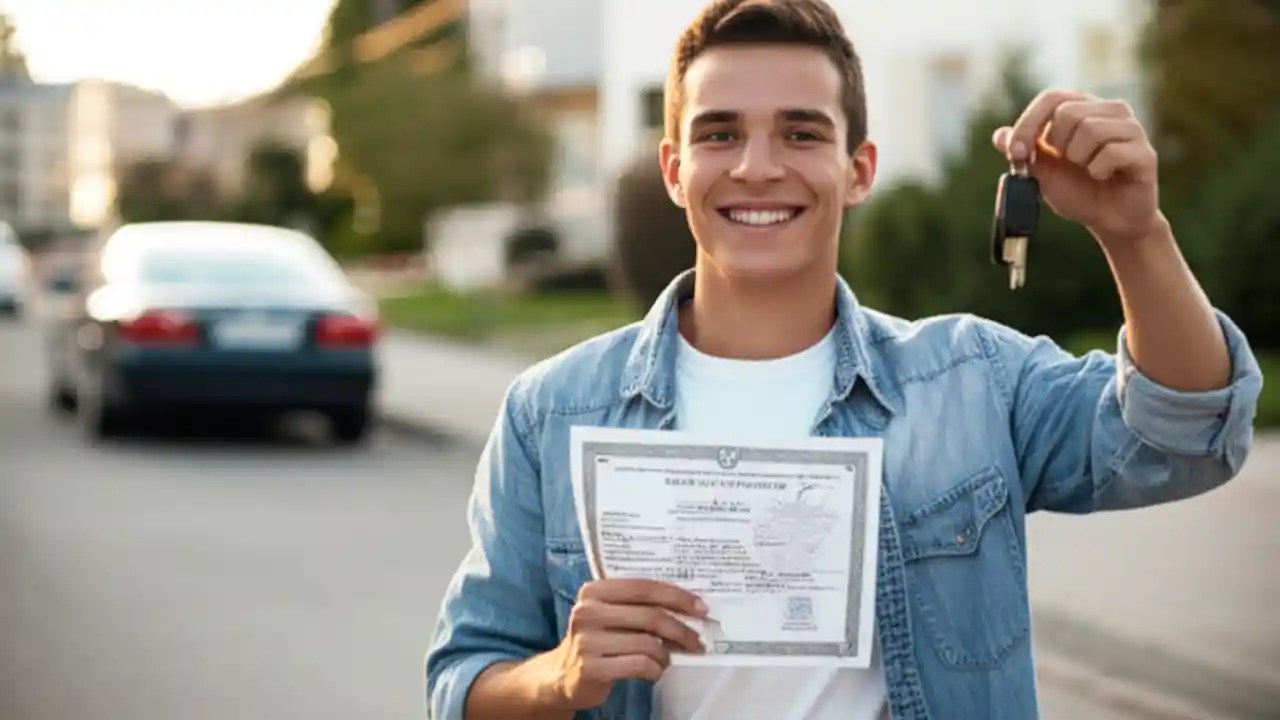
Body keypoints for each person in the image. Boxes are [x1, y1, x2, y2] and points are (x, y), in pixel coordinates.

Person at [425, 0, 1264, 717]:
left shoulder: (970, 379)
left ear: (858, 170)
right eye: (720, 133)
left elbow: (1185, 437)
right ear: (675, 171)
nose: (757, 167)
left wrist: (1133, 234)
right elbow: (461, 683)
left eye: (801, 132)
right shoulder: (552, 411)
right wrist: (558, 678)